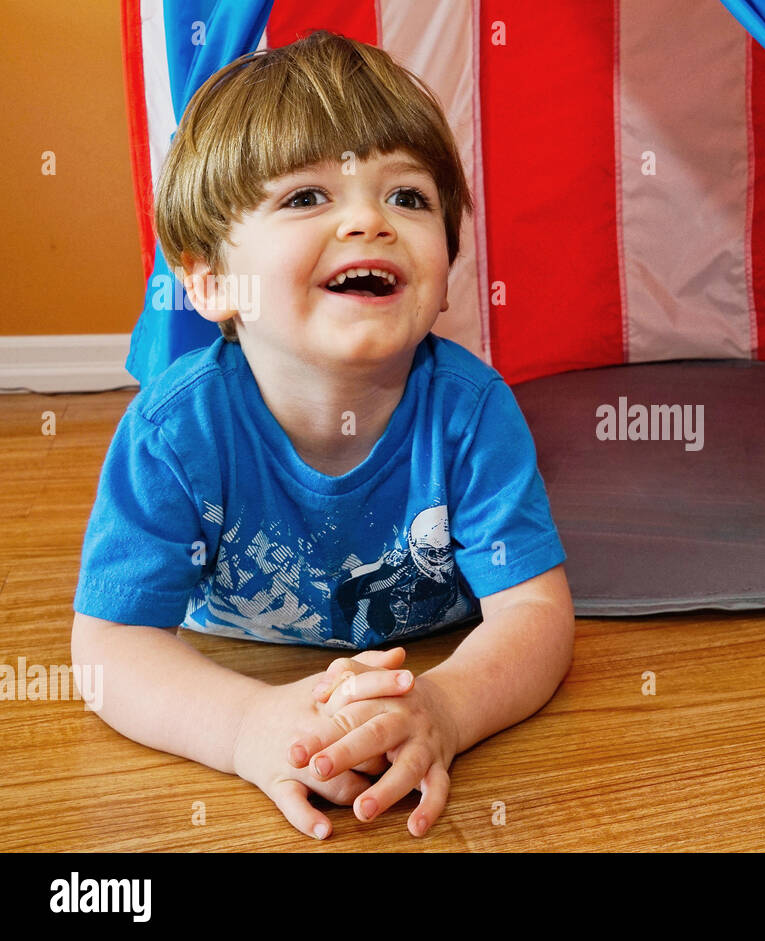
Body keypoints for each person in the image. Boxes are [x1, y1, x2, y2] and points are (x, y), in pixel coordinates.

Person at [70, 30, 574, 840]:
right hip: (240, 659)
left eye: (408, 197)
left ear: (447, 264)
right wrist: (244, 726)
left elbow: (536, 616)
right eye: (306, 197)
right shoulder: (173, 431)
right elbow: (110, 647)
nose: (369, 221)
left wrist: (444, 708)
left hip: (420, 661)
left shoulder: (473, 412)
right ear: (209, 280)